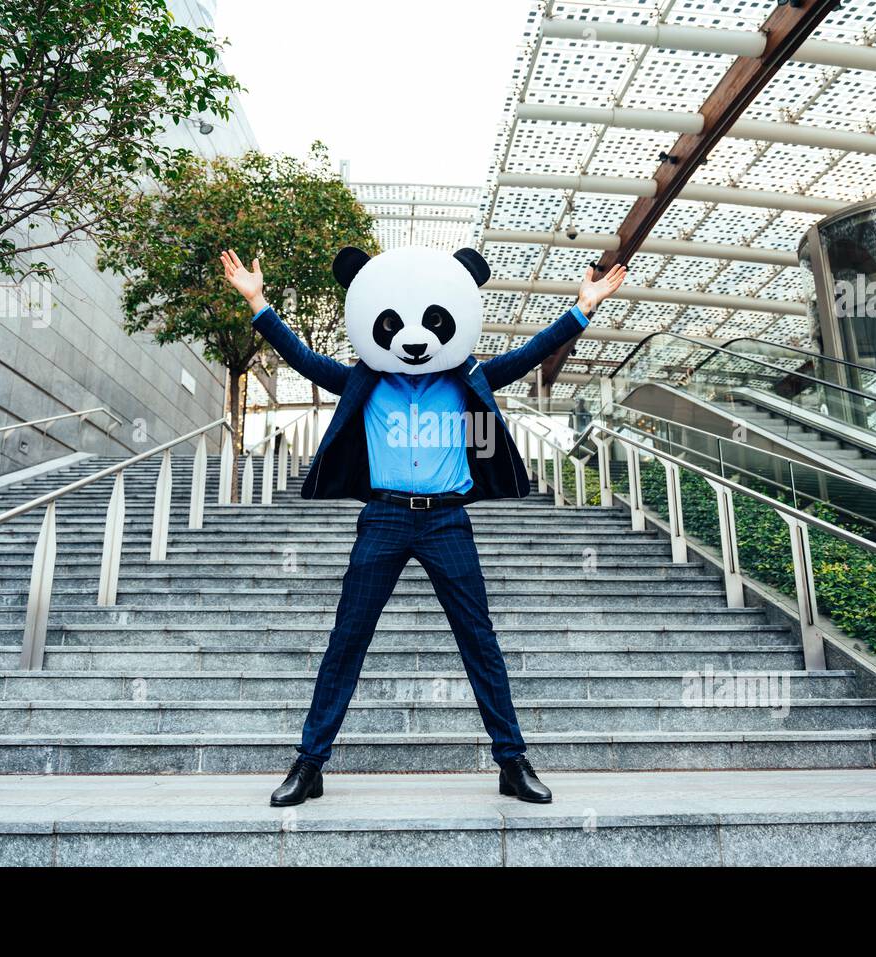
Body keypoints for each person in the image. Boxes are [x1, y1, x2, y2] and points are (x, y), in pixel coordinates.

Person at [220, 245, 626, 806]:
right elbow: (305, 360)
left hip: (447, 522)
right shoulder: (366, 382)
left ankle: (512, 762)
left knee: (479, 642)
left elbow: (531, 353)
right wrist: (258, 301)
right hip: (383, 518)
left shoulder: (466, 378)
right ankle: (309, 764)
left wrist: (583, 308)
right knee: (346, 641)